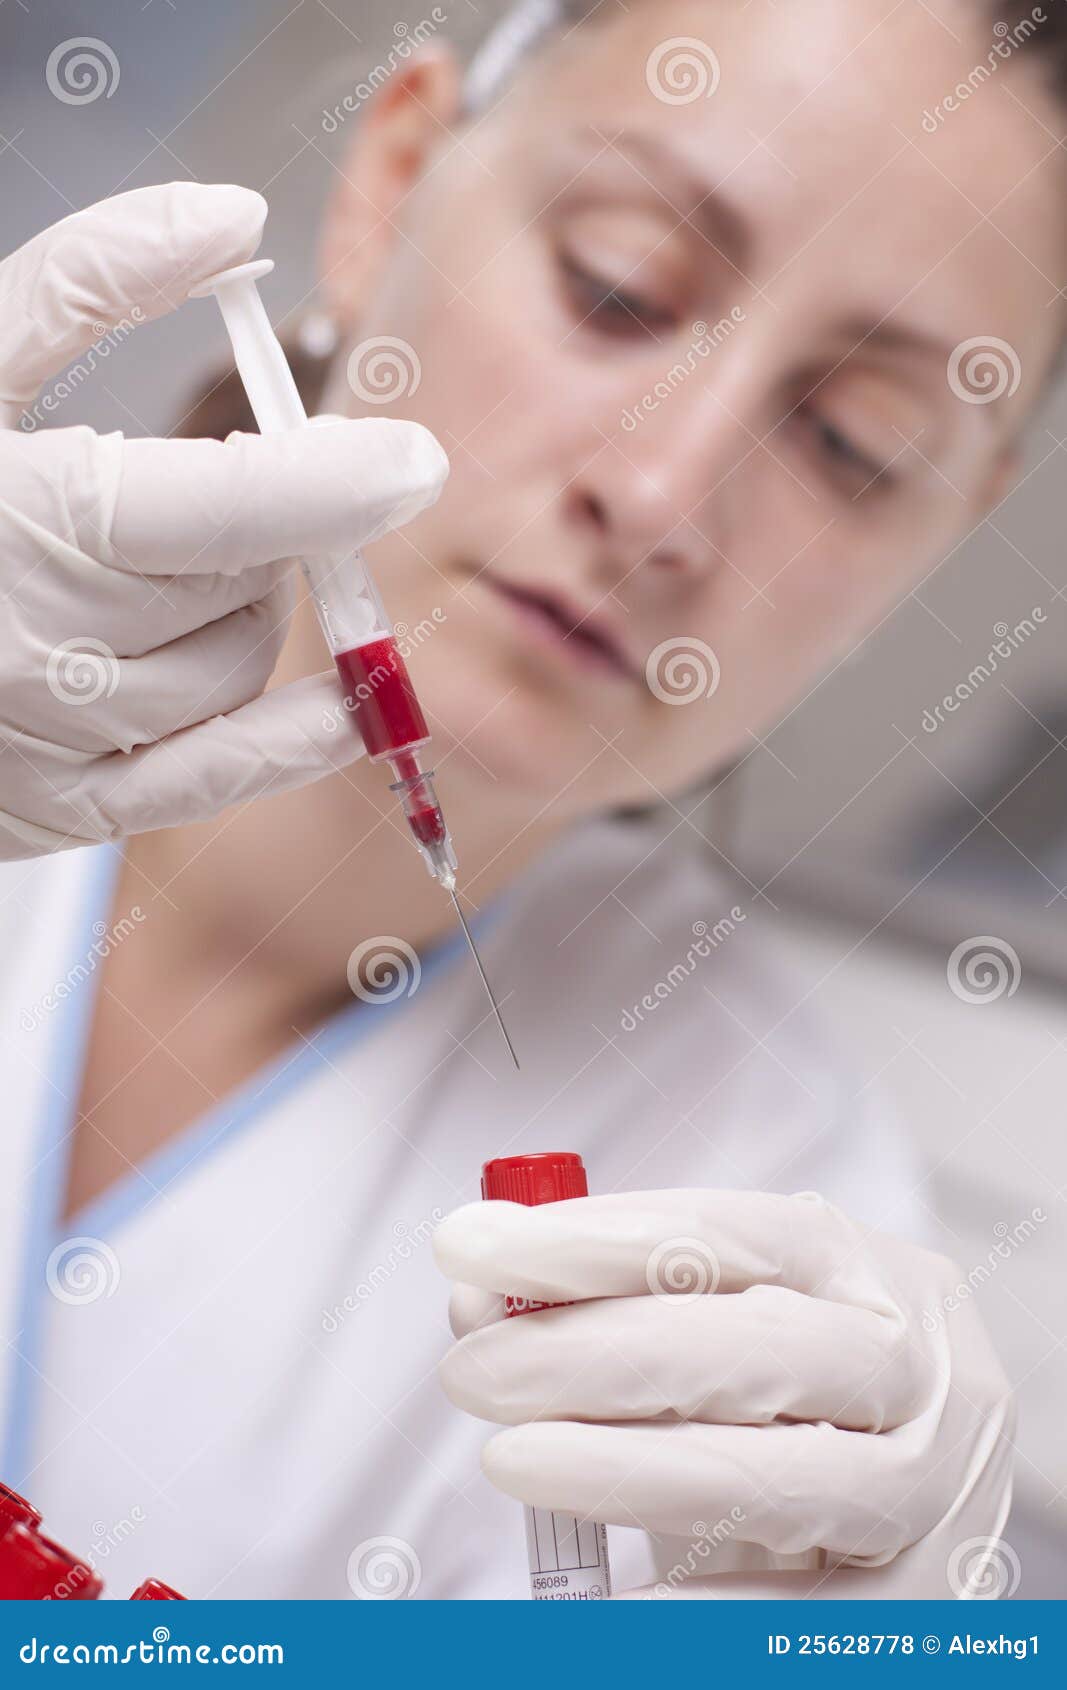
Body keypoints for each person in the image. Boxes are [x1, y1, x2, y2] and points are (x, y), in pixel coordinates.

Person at [0, 0, 1057, 1598]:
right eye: (618, 285)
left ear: (941, 538)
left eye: (853, 442)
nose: (661, 498)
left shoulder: (766, 1223)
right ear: (391, 184)